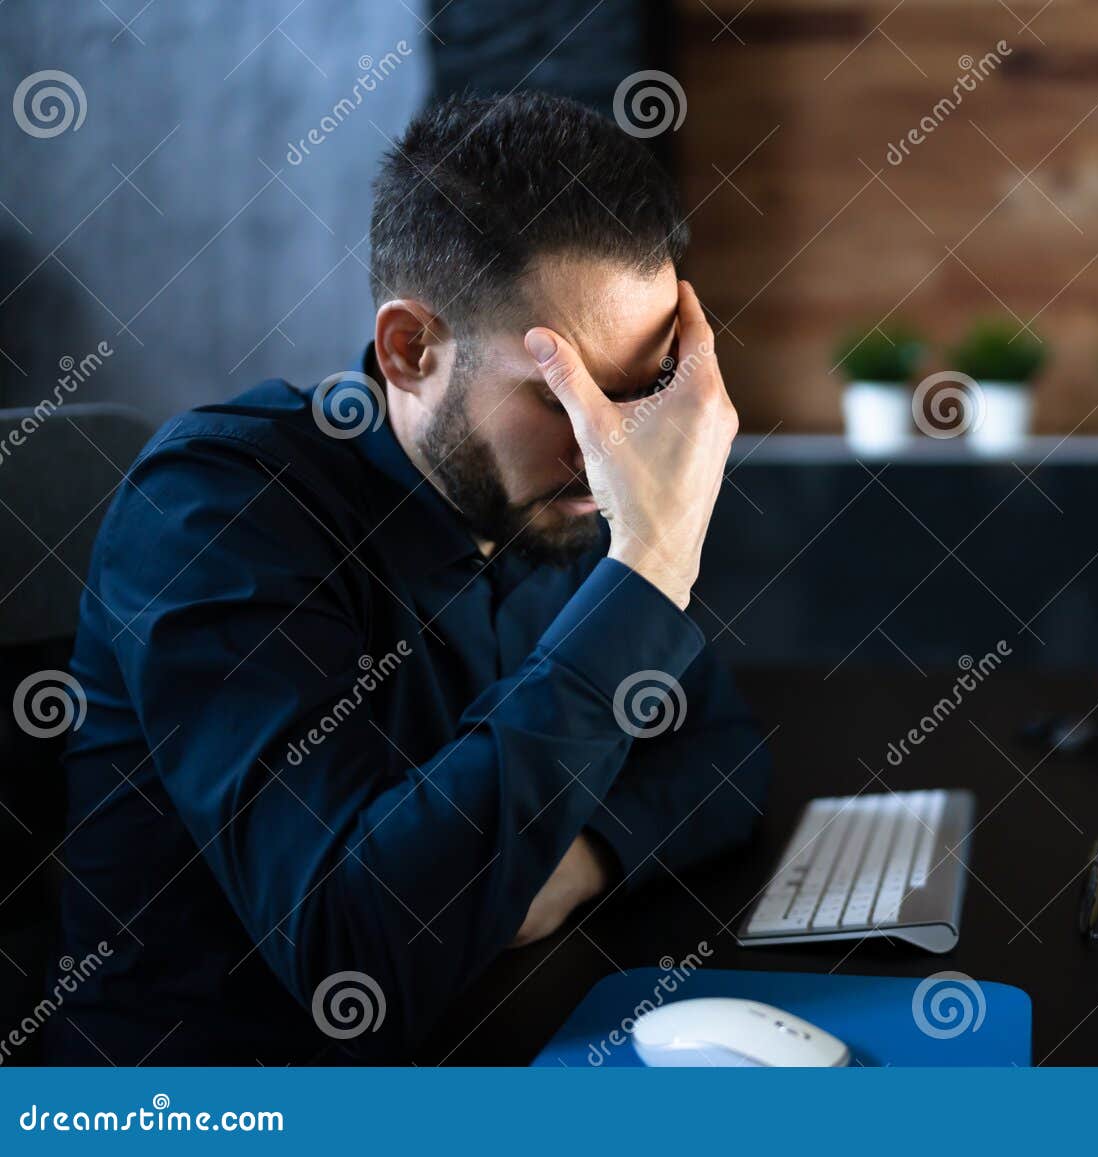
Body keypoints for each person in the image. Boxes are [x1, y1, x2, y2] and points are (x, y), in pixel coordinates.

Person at [46, 91, 768, 1064]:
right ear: (410, 348)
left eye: (643, 395)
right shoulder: (211, 512)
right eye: (565, 394)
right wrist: (652, 561)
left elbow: (720, 751)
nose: (615, 454)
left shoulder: (551, 505)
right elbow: (362, 949)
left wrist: (570, 861)